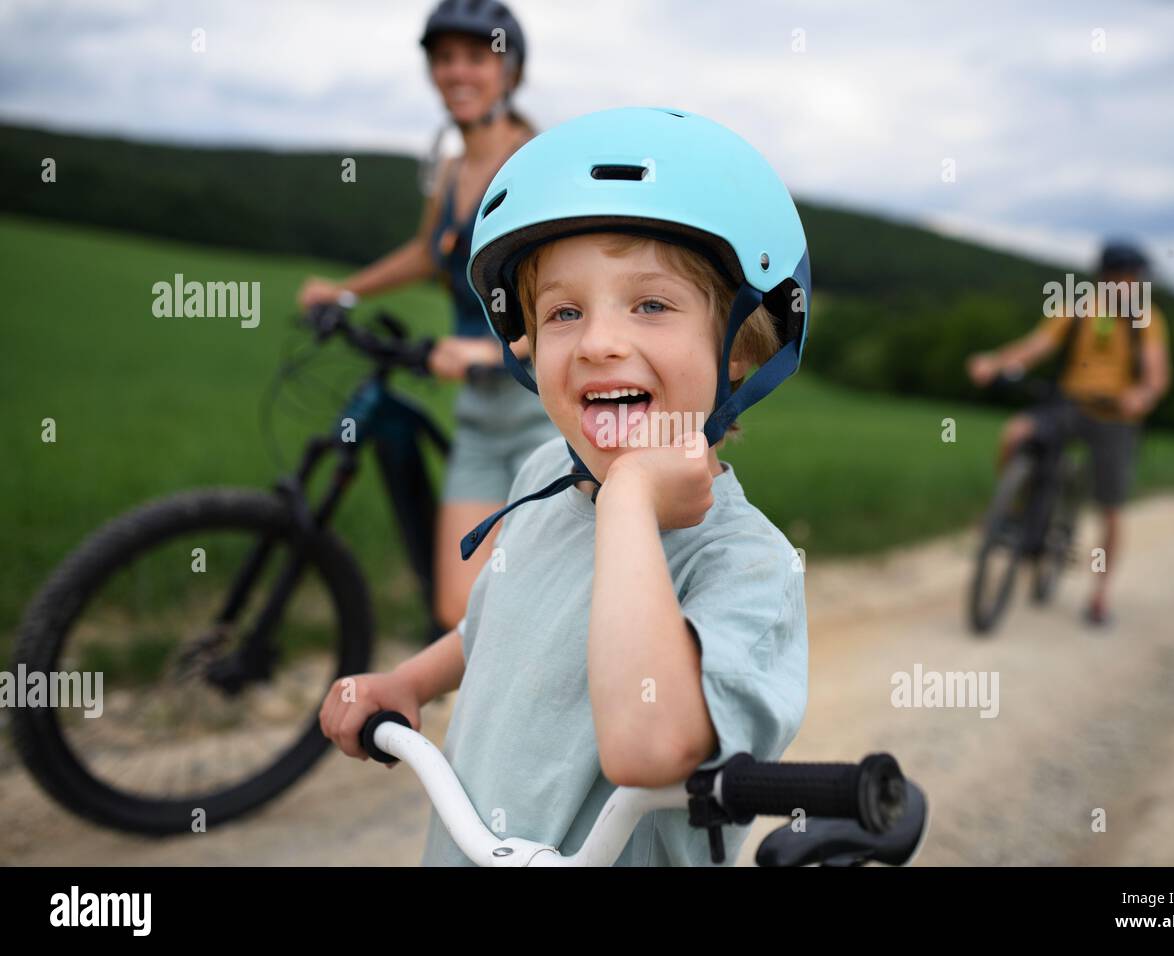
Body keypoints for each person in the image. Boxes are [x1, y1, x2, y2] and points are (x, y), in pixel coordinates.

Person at [319, 107, 812, 866]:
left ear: (740, 347)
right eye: (564, 312)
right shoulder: (546, 473)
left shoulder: (749, 567)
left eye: (651, 304)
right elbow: (498, 623)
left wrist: (629, 503)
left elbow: (650, 747)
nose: (599, 342)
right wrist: (410, 680)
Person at [297, 0, 555, 633]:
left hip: (544, 412)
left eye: (476, 58)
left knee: (548, 604)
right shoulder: (450, 167)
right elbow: (429, 251)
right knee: (458, 611)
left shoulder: (537, 162)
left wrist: (488, 351)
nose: (456, 73)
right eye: (443, 59)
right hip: (477, 416)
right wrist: (345, 291)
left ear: (510, 72)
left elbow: (572, 296)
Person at [966, 241, 1172, 626]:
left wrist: (1141, 395)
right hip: (1069, 404)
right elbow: (1036, 346)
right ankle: (1010, 514)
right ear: (1110, 277)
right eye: (1129, 278)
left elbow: (1156, 375)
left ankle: (1099, 596)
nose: (1134, 286)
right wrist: (994, 362)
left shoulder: (1147, 319)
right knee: (1016, 432)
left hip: (1115, 416)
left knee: (1110, 508)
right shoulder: (1079, 308)